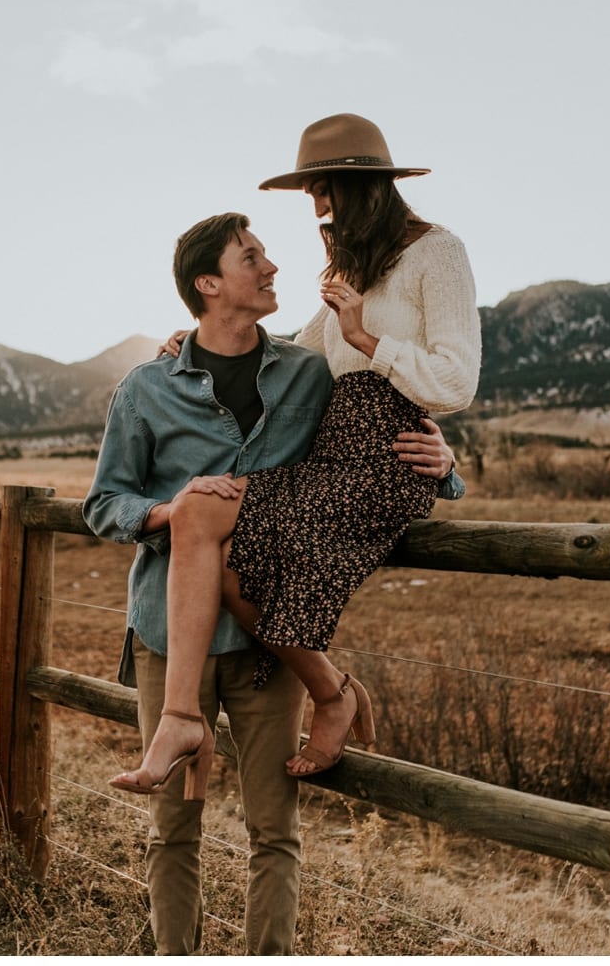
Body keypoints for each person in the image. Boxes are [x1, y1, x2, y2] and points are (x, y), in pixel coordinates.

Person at [83, 210, 464, 955]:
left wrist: (445, 466)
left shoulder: (310, 370)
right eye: (251, 257)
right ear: (209, 283)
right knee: (173, 830)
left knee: (274, 830)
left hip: (266, 636)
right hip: (168, 632)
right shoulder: (146, 388)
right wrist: (172, 510)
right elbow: (103, 501)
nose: (271, 266)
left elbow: (370, 450)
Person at [115, 113, 481, 790]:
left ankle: (321, 698)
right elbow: (294, 351)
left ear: (357, 186)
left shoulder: (439, 252)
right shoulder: (350, 269)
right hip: (330, 453)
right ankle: (287, 695)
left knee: (211, 528)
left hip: (390, 453)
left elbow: (457, 379)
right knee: (214, 540)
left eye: (322, 191)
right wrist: (193, 340)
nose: (316, 210)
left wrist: (369, 340)